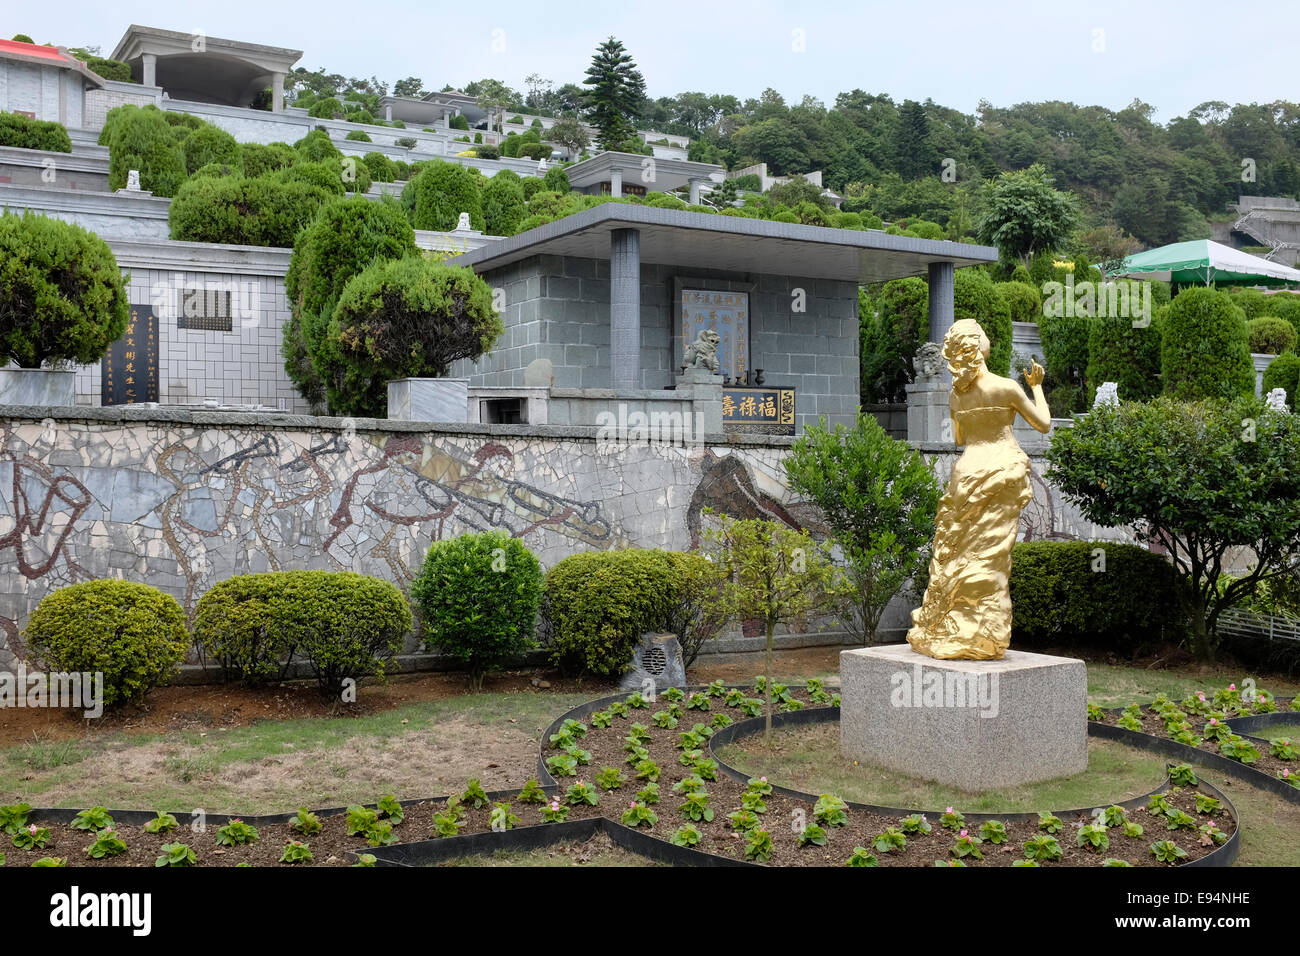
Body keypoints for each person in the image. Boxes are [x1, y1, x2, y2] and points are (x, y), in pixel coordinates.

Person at [905, 319, 1050, 660]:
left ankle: (947, 623)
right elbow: (1043, 424)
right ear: (980, 347)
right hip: (1002, 468)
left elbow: (958, 439)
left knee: (956, 549)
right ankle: (983, 630)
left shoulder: (956, 395)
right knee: (992, 554)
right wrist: (1037, 387)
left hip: (967, 471)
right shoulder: (1007, 388)